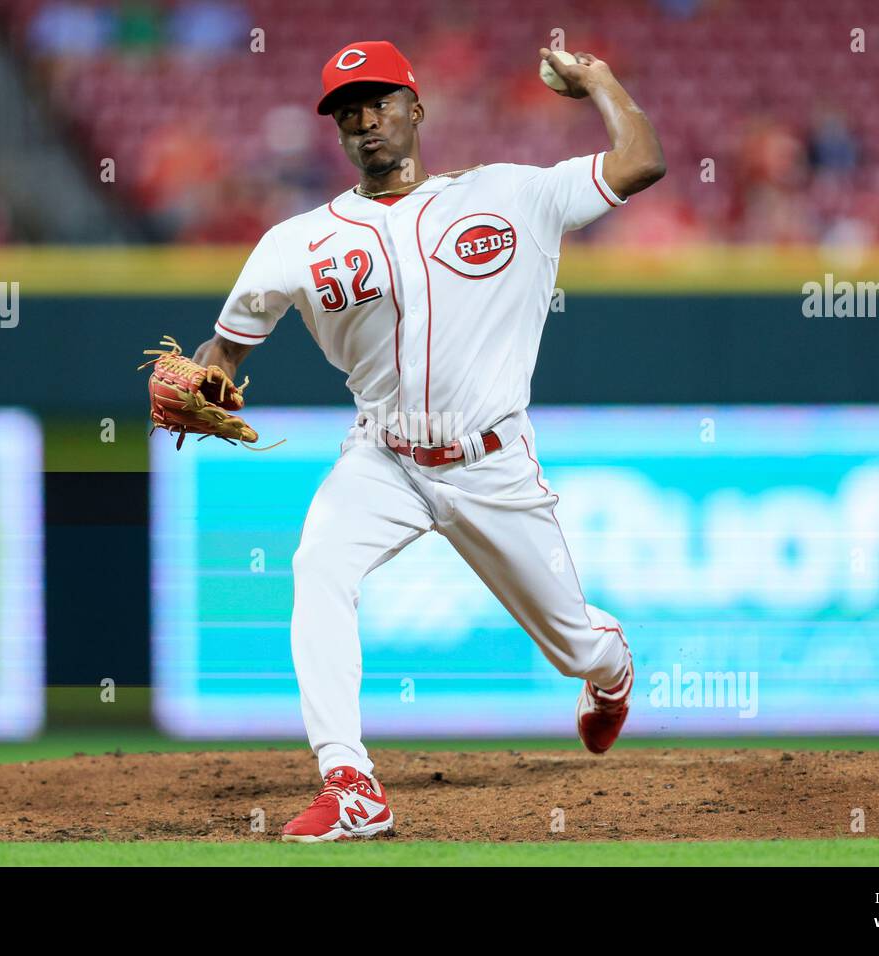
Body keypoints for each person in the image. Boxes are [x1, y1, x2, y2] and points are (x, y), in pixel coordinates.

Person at [186, 41, 665, 842]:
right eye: (347, 109)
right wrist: (210, 375)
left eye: (379, 101)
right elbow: (226, 348)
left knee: (576, 646)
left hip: (493, 461)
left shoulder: (513, 194)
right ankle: (350, 783)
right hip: (383, 455)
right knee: (319, 566)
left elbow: (641, 161)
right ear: (335, 130)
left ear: (417, 108)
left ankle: (609, 669)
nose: (365, 119)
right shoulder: (295, 241)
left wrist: (599, 81)